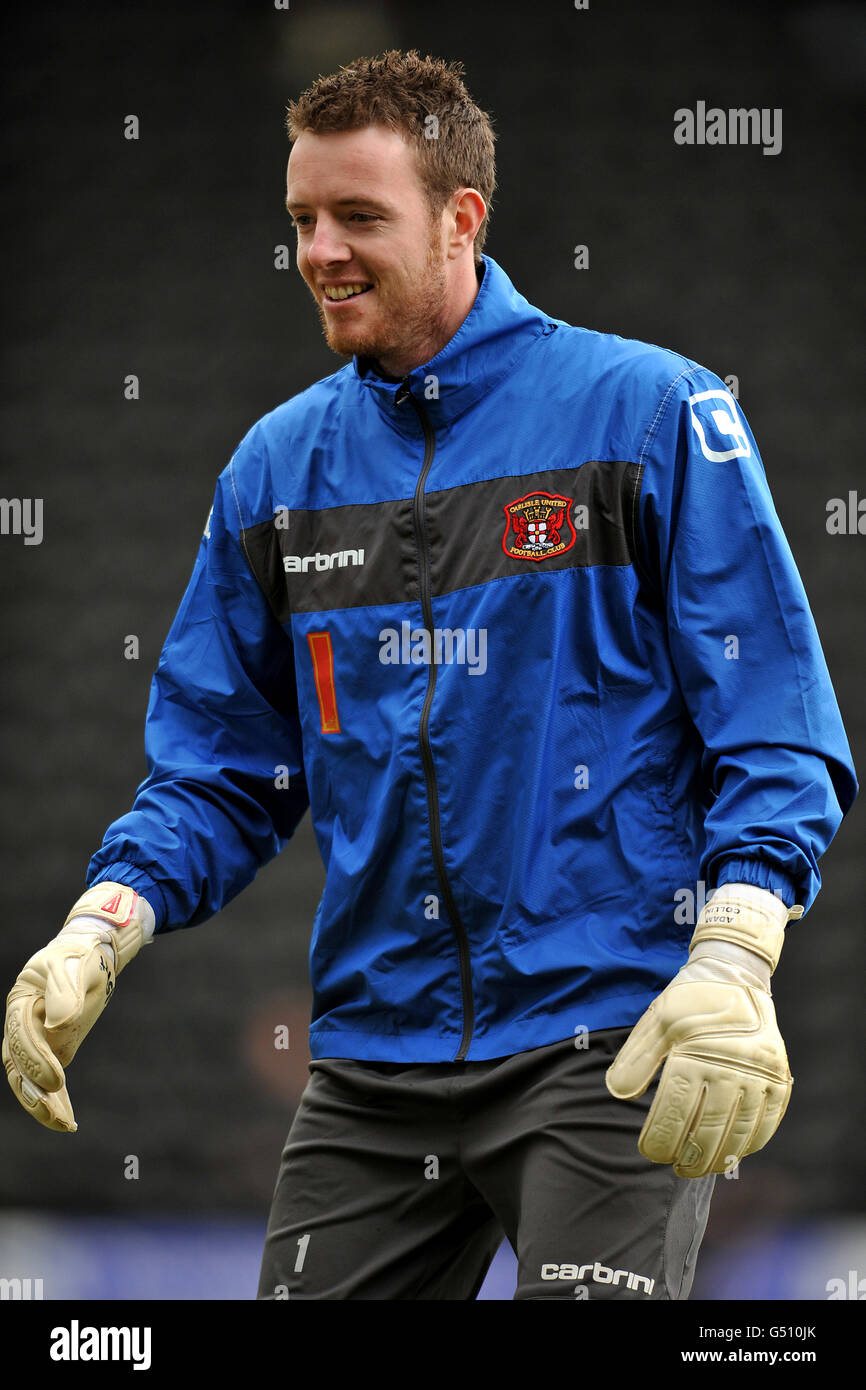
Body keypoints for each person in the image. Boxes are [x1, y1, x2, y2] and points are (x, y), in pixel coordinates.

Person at [3, 50, 857, 1301]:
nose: (320, 252)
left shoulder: (650, 412)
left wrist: (735, 950)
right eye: (301, 219)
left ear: (462, 217)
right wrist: (102, 922)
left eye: (357, 216)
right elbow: (223, 770)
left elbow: (772, 721)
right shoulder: (273, 471)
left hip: (611, 1040)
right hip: (371, 1062)